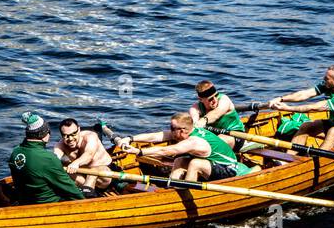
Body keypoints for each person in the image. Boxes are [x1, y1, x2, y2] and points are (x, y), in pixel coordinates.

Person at [119, 112, 254, 183]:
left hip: (230, 169)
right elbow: (156, 136)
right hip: (215, 165)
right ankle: (173, 189)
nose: (170, 131)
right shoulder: (189, 131)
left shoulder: (194, 141)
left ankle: (190, 194)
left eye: (172, 128)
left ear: (183, 130)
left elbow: (168, 150)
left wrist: (139, 151)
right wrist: (130, 138)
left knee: (195, 163)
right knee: (180, 161)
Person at [267, 64, 334, 152]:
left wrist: (287, 109)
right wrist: (281, 99)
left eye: (326, 78)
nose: (323, 79)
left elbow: (314, 108)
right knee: (306, 126)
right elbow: (304, 94)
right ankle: (287, 160)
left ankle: (317, 160)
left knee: (333, 131)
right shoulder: (328, 84)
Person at [9, 112, 86, 204]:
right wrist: (85, 202)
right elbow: (70, 190)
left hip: (25, 201)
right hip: (48, 204)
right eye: (49, 132)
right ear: (45, 135)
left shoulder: (15, 152)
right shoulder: (48, 158)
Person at [55, 117, 117, 193]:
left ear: (79, 129)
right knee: (62, 169)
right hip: (84, 176)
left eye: (73, 134)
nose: (70, 138)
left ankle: (87, 194)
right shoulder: (60, 145)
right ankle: (88, 192)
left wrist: (76, 163)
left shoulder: (90, 136)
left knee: (93, 171)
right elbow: (55, 158)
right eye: (66, 135)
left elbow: (89, 155)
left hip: (106, 174)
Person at [188, 80, 245, 149]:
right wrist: (194, 124)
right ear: (200, 99)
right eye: (210, 99)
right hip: (213, 137)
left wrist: (203, 120)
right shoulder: (195, 108)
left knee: (218, 140)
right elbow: (193, 120)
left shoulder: (224, 100)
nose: (215, 100)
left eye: (216, 96)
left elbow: (217, 113)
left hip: (236, 135)